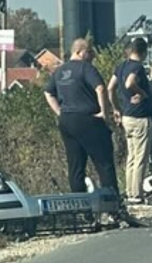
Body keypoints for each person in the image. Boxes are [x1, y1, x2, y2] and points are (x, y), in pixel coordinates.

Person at [44, 38, 118, 194]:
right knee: (104, 163)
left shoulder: (59, 71)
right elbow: (100, 88)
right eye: (90, 52)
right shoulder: (86, 68)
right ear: (79, 52)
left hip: (67, 120)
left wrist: (60, 112)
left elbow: (48, 92)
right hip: (88, 118)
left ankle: (81, 209)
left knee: (76, 167)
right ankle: (112, 205)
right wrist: (104, 113)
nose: (93, 55)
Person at [108, 38, 152, 204]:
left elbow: (110, 87)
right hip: (140, 116)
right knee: (140, 157)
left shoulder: (121, 66)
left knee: (131, 157)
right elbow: (129, 83)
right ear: (144, 51)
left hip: (126, 115)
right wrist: (142, 93)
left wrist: (116, 108)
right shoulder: (137, 67)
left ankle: (129, 190)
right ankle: (137, 194)